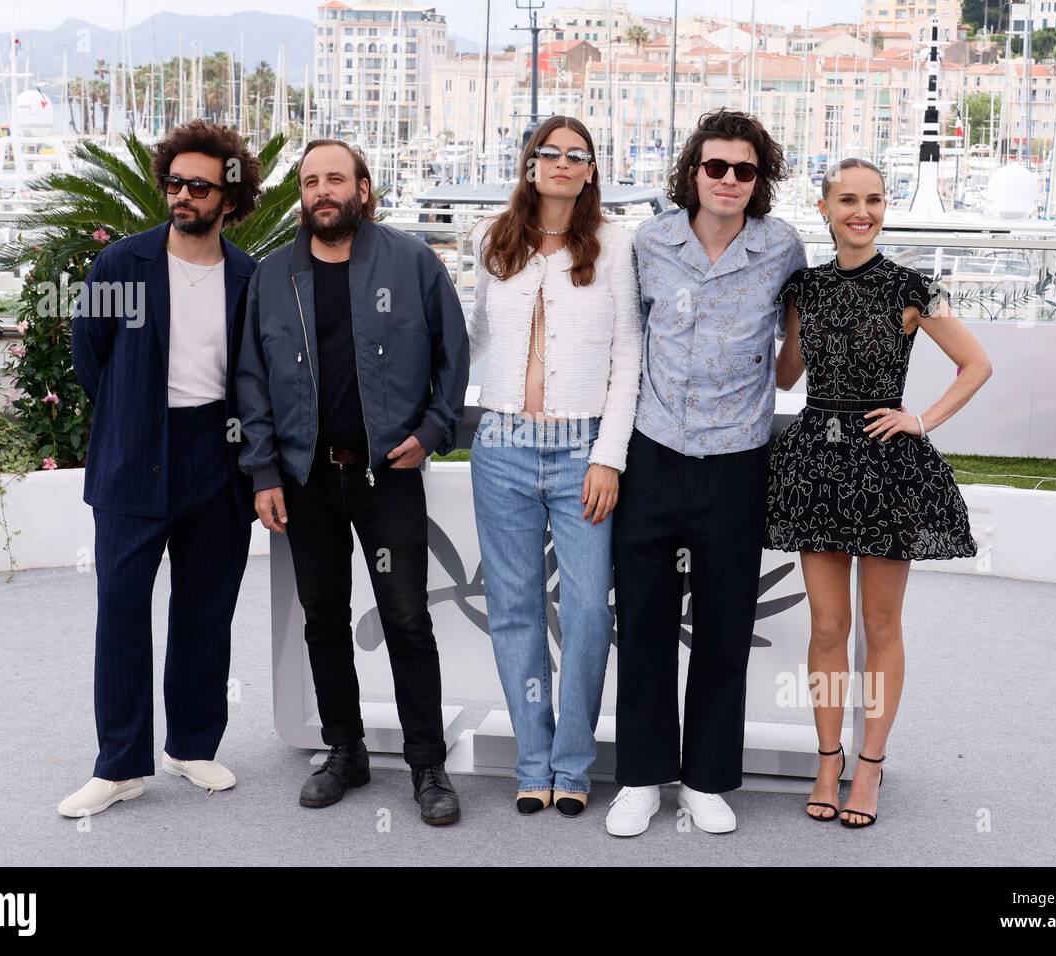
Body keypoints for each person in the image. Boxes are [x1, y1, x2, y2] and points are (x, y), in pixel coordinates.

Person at [235, 138, 469, 826]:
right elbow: (251, 380)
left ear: (364, 188)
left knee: (406, 619)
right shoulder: (274, 278)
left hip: (387, 476)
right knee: (323, 619)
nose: (323, 191)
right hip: (307, 477)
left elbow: (452, 357)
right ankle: (345, 750)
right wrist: (264, 470)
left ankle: (427, 763)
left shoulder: (413, 263)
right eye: (311, 181)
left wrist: (431, 433)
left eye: (336, 178)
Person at [768, 157, 991, 827]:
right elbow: (785, 378)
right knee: (828, 625)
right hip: (816, 463)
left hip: (888, 469)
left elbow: (976, 364)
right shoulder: (802, 287)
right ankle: (827, 760)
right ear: (826, 207)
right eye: (847, 200)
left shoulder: (917, 286)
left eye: (872, 200)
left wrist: (920, 419)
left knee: (880, 624)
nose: (860, 211)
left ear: (883, 207)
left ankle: (870, 765)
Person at [605, 109, 807, 837]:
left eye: (744, 170)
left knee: (725, 626)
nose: (728, 180)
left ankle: (706, 780)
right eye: (715, 166)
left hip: (738, 457)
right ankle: (640, 777)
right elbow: (624, 338)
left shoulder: (782, 247)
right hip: (653, 450)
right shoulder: (649, 242)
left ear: (761, 180)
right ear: (693, 171)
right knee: (646, 619)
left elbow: (794, 347)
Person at [59, 120, 261, 817]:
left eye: (198, 185)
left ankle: (193, 745)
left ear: (230, 199)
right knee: (120, 609)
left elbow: (256, 377)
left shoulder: (248, 277)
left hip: (218, 452)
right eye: (173, 182)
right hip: (134, 453)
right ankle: (118, 765)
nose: (181, 195)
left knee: (206, 608)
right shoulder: (121, 265)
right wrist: (130, 417)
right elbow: (93, 358)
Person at [467, 116, 641, 817]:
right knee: (512, 612)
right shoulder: (491, 239)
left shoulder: (616, 244)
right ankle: (532, 763)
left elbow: (629, 353)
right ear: (530, 164)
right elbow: (474, 333)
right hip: (502, 446)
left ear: (592, 170)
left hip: (583, 451)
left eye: (578, 155)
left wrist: (610, 456)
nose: (563, 164)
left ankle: (574, 761)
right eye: (550, 154)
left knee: (588, 613)